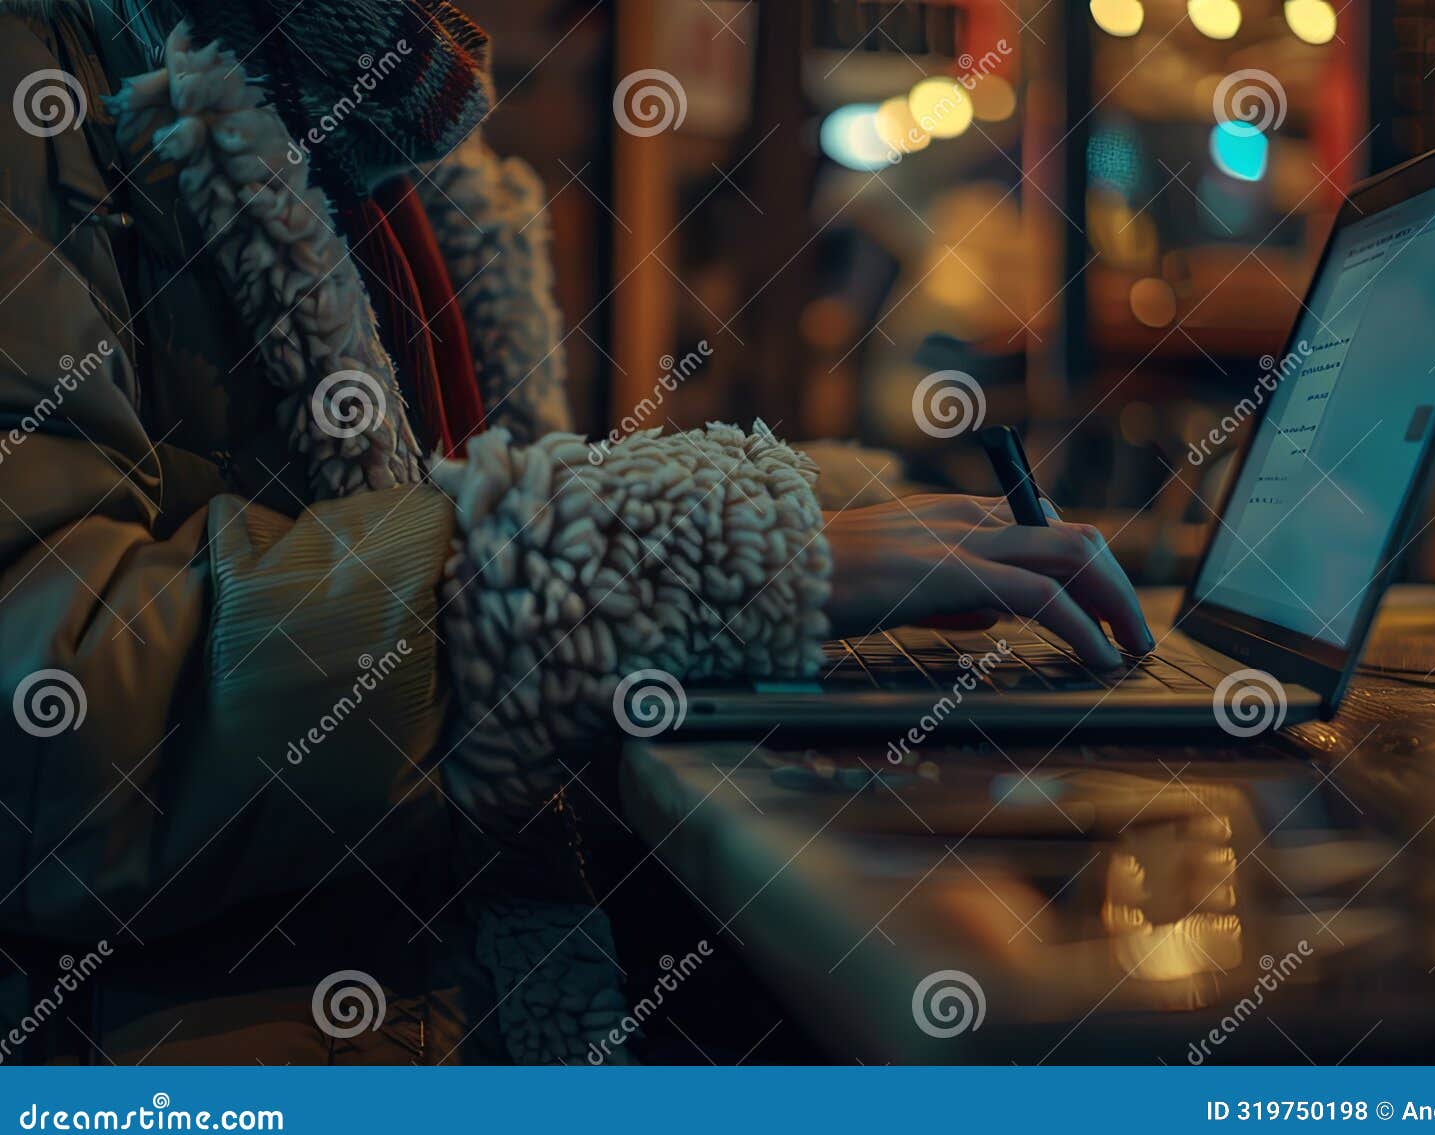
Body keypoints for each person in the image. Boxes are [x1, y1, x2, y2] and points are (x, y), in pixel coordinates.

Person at [0, 0, 1152, 1063]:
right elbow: (49, 705)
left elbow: (442, 513)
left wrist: (805, 518)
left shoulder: (369, 125)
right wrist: (661, 554)